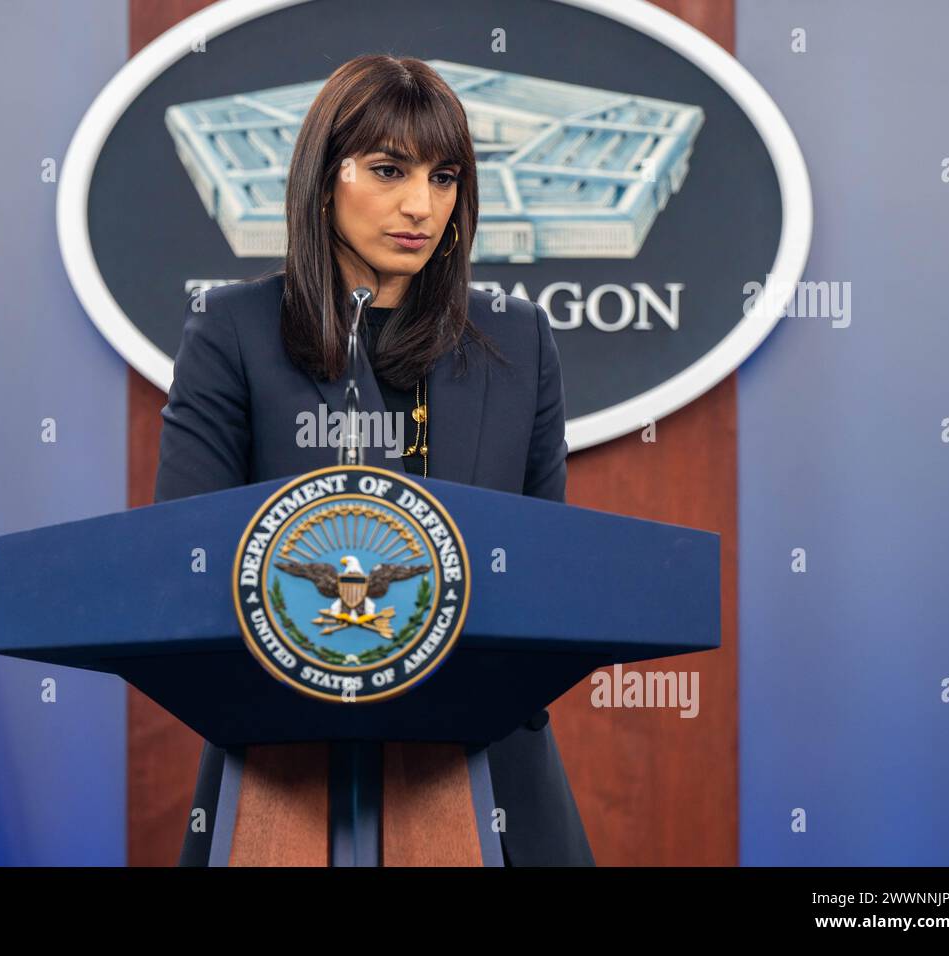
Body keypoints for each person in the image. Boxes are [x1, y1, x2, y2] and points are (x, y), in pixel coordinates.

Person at [154, 54, 593, 866]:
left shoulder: (519, 340)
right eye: (389, 170)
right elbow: (183, 568)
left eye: (446, 177)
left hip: (489, 771)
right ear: (325, 179)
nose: (421, 206)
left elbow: (545, 577)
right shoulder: (233, 332)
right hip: (286, 770)